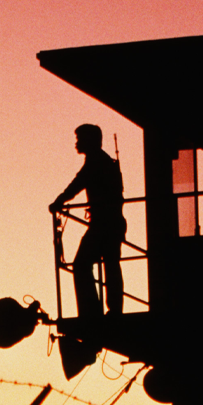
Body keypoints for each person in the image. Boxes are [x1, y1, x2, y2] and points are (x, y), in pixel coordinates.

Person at [50, 124, 125, 318]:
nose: (77, 142)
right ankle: (112, 309)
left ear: (89, 140)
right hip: (111, 223)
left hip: (103, 225)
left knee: (83, 264)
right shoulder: (103, 161)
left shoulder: (96, 162)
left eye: (80, 138)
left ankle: (93, 311)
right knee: (110, 264)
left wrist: (59, 201)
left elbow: (78, 182)